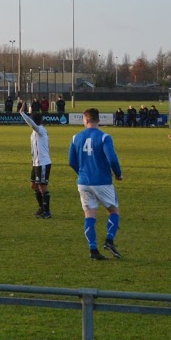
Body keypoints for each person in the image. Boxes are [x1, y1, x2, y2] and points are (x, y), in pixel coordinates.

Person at [67, 107, 123, 261]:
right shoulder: (105, 137)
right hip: (102, 181)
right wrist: (118, 174)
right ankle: (109, 240)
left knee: (89, 215)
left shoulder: (75, 137)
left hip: (83, 183)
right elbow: (112, 159)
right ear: (99, 120)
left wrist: (82, 173)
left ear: (85, 120)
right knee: (113, 211)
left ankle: (93, 250)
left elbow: (71, 161)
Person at [19, 105, 53, 219]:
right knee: (34, 186)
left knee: (43, 187)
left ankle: (47, 212)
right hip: (36, 163)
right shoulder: (35, 133)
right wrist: (32, 159)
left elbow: (32, 125)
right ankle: (41, 208)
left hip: (43, 163)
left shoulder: (41, 130)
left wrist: (22, 113)